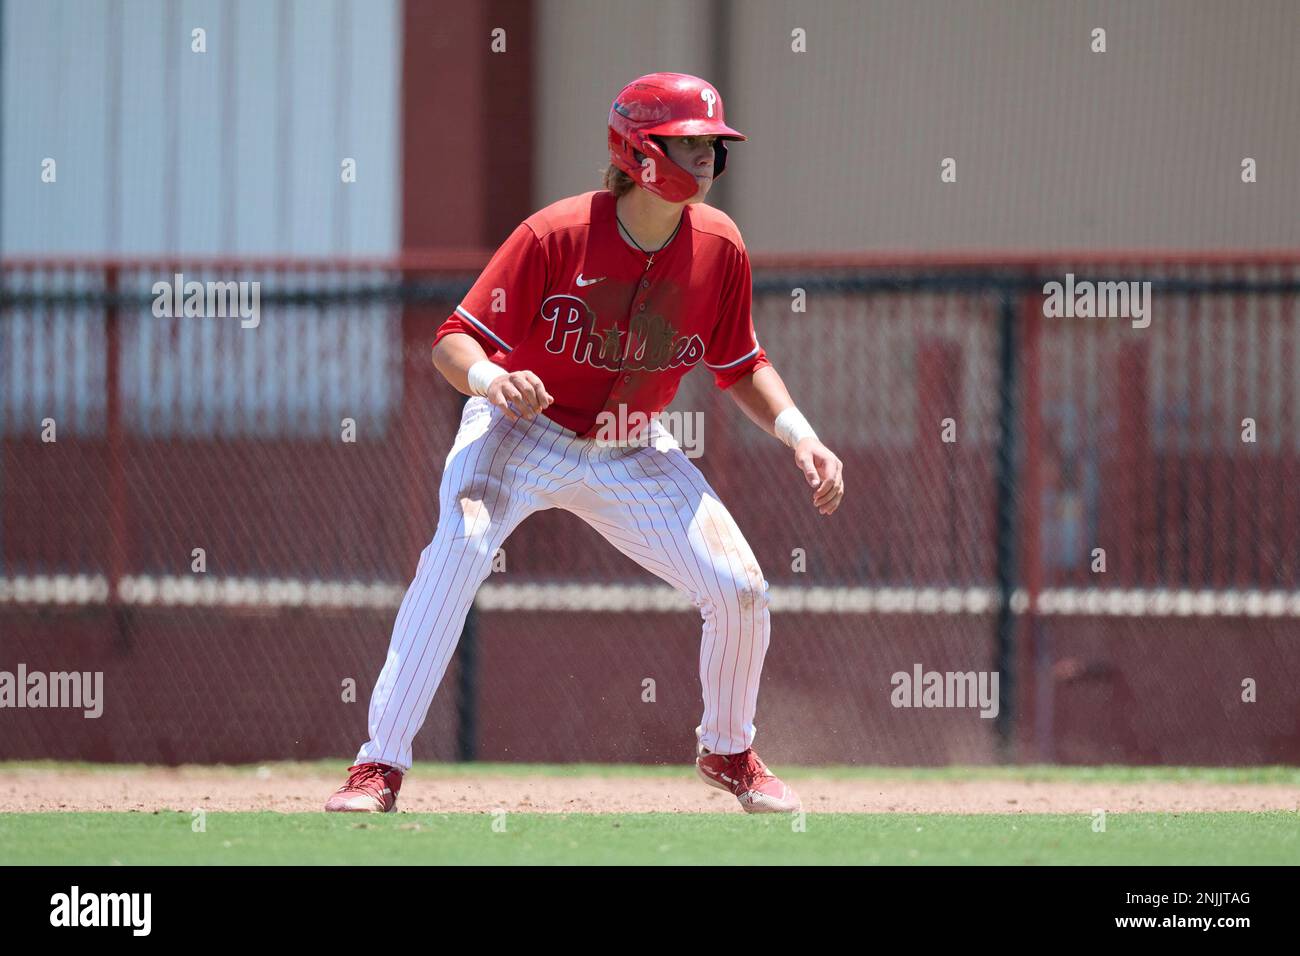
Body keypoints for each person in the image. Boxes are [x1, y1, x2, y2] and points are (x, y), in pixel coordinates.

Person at [325, 72, 844, 815]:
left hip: (633, 448)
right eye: (685, 143)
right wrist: (487, 381)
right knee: (459, 553)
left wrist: (801, 434)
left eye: (711, 145)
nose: (704, 157)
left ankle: (729, 750)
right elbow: (451, 343)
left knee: (741, 588)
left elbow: (741, 364)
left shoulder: (721, 248)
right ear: (635, 151)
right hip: (519, 431)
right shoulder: (555, 234)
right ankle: (379, 767)